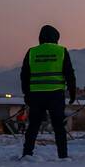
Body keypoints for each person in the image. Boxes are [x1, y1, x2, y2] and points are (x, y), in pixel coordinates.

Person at [19, 24, 76, 159]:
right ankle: (62, 155)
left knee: (33, 126)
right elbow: (69, 74)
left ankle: (27, 153)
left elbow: (24, 75)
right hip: (55, 94)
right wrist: (72, 93)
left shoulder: (32, 52)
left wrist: (26, 94)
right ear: (56, 37)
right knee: (58, 127)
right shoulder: (61, 51)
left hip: (36, 95)